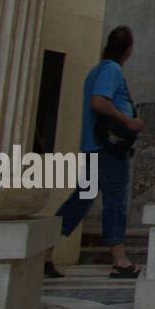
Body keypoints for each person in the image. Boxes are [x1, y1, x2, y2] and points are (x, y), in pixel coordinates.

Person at [45, 26, 145, 279]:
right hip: (107, 150)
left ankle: (44, 251)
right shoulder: (110, 70)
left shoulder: (97, 70)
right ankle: (120, 260)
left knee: (80, 200)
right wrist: (128, 121)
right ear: (129, 50)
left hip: (95, 147)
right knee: (114, 202)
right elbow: (99, 102)